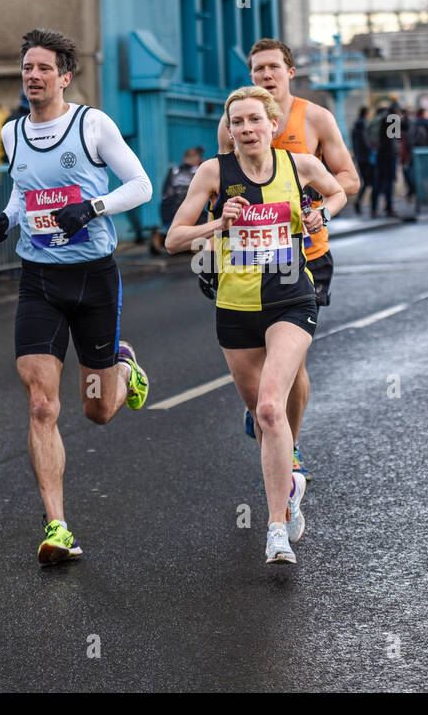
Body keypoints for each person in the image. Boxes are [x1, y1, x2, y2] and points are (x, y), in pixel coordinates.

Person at [0, 29, 153, 564]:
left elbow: (142, 185)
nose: (33, 76)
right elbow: (22, 187)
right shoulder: (13, 134)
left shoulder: (91, 124)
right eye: (26, 67)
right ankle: (57, 525)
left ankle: (123, 370)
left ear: (65, 76)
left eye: (43, 69)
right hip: (38, 280)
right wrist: (6, 218)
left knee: (98, 410)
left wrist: (93, 208)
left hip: (93, 277)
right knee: (41, 403)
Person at [167, 85, 346, 564]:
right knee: (263, 421)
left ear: (272, 124)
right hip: (235, 305)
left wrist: (319, 215)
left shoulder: (298, 165)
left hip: (291, 296)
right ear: (229, 130)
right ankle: (289, 482)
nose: (246, 129)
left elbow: (338, 190)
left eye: (254, 120)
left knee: (270, 409)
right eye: (237, 122)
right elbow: (173, 239)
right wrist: (216, 225)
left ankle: (276, 530)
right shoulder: (213, 173)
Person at [216, 38, 360, 482]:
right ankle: (264, 405)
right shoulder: (233, 125)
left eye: (273, 68)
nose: (265, 76)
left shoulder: (316, 118)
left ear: (290, 72)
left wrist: (318, 206)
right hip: (246, 260)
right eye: (257, 69)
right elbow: (220, 189)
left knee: (293, 362)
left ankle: (289, 445)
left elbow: (349, 180)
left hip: (307, 256)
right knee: (257, 357)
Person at [152, 146, 204, 254]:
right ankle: (194, 243)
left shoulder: (174, 170)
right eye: (198, 158)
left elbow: (165, 193)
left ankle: (162, 234)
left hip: (166, 212)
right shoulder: (199, 171)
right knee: (209, 219)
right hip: (184, 212)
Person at [371, 102, 400, 218]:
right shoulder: (393, 119)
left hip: (380, 155)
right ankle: (388, 208)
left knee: (378, 182)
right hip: (389, 156)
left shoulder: (380, 119)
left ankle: (374, 208)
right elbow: (394, 140)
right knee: (389, 183)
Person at [351, 105, 375, 213]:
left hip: (360, 157)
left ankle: (360, 202)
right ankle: (372, 206)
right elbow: (367, 142)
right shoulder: (365, 125)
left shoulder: (355, 126)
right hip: (367, 158)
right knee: (371, 182)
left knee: (366, 182)